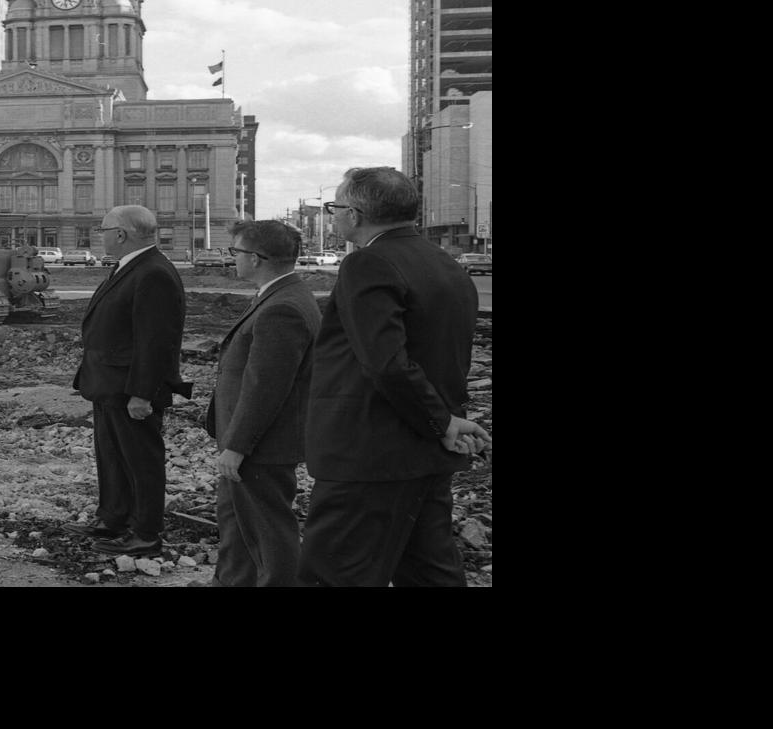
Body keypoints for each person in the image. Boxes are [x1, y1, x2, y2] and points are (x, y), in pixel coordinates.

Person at [296, 167, 491, 587]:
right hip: (425, 449)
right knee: (428, 570)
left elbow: (385, 362)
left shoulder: (368, 263)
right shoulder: (447, 264)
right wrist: (441, 421)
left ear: (355, 213)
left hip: (370, 453)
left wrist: (439, 421)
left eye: (335, 207)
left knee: (333, 570)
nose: (333, 216)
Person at [64, 205, 192, 556]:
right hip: (109, 385)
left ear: (120, 234)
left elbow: (156, 342)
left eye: (103, 229)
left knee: (140, 462)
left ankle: (146, 533)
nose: (99, 234)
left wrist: (142, 394)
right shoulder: (132, 267)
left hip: (130, 390)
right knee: (112, 456)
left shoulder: (153, 273)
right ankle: (113, 519)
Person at [206, 220, 320, 586]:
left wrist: (237, 446)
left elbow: (265, 386)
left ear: (255, 258)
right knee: (238, 523)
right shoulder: (279, 295)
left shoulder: (281, 308)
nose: (231, 259)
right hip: (256, 441)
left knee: (268, 531)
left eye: (234, 252)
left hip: (261, 445)